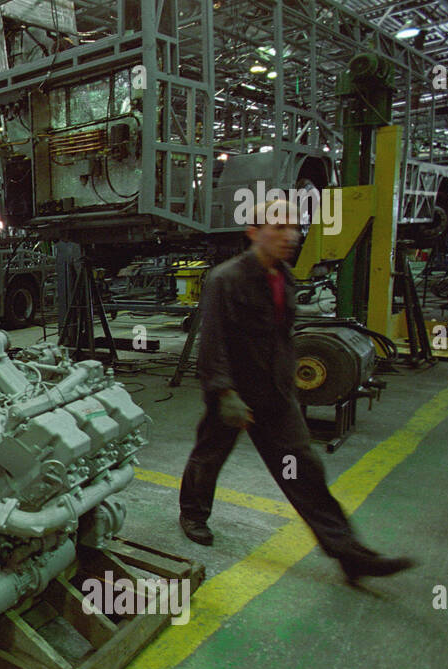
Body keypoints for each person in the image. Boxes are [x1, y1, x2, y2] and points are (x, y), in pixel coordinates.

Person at [178, 197, 415, 582]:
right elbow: (213, 343)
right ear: (253, 231)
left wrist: (288, 384)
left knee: (302, 469)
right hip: (234, 393)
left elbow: (283, 337)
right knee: (210, 454)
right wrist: (224, 395)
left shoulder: (284, 276)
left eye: (295, 227)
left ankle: (348, 553)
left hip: (275, 393)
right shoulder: (226, 278)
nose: (292, 235)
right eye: (280, 227)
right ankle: (192, 513)